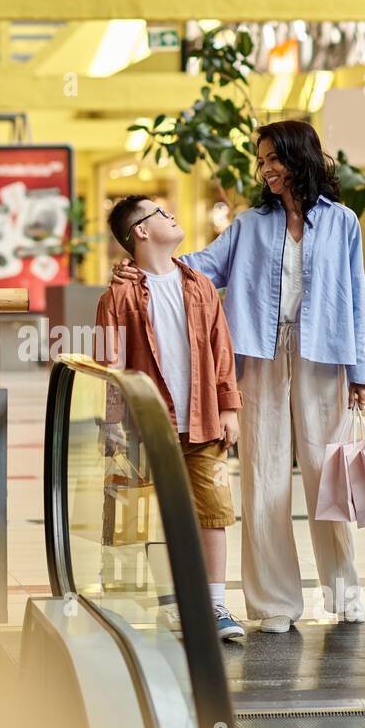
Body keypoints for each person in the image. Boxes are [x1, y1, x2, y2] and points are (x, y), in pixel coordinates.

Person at [112, 119, 365, 629]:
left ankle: (344, 594)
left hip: (323, 354)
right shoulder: (250, 224)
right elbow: (199, 268)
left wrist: (360, 370)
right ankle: (274, 604)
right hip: (258, 355)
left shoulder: (343, 221)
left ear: (298, 157)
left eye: (272, 159)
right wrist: (141, 267)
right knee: (263, 476)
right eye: (261, 161)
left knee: (325, 475)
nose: (265, 170)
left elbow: (355, 298)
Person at [95, 195, 244, 640]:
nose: (172, 214)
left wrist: (229, 407)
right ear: (141, 231)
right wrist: (113, 426)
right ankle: (171, 605)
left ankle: (214, 604)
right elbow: (110, 367)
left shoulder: (199, 285)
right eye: (160, 212)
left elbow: (221, 350)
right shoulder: (118, 296)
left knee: (213, 512)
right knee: (144, 517)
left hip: (203, 423)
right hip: (146, 427)